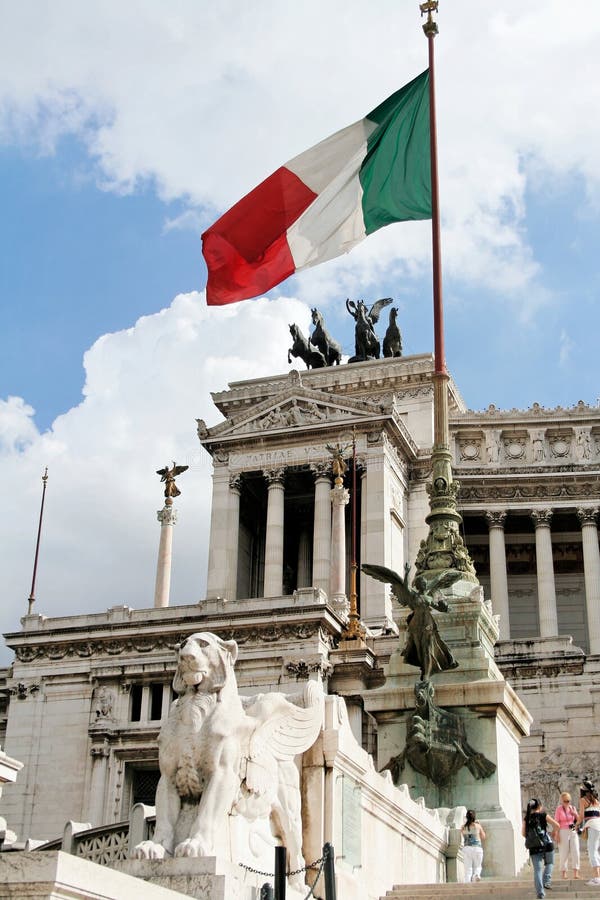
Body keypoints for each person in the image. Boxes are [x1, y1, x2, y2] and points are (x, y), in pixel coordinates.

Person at [523, 799, 559, 899]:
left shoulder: (526, 818)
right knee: (550, 863)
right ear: (540, 806)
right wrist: (554, 833)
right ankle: (546, 881)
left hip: (534, 847)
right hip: (547, 843)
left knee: (537, 870)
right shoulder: (543, 815)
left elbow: (523, 834)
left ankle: (540, 893)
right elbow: (557, 825)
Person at [577, 778, 600, 885]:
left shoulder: (583, 800)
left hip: (592, 826)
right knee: (595, 850)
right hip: (598, 826)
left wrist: (575, 825)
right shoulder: (597, 801)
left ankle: (597, 878)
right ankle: (597, 876)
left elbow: (581, 816)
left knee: (592, 851)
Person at [554, 791, 580, 879]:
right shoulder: (559, 809)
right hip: (562, 829)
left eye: (568, 801)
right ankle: (564, 872)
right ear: (562, 800)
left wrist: (574, 813)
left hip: (572, 828)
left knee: (575, 850)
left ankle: (576, 872)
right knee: (563, 851)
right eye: (565, 801)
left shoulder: (573, 807)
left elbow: (579, 819)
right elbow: (556, 822)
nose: (566, 802)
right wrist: (557, 834)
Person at [462, 809, 485, 883]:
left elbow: (463, 835)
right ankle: (476, 875)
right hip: (477, 848)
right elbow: (483, 836)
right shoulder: (478, 826)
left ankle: (467, 883)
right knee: (478, 866)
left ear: (467, 817)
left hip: (467, 849)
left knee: (468, 868)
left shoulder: (463, 827)